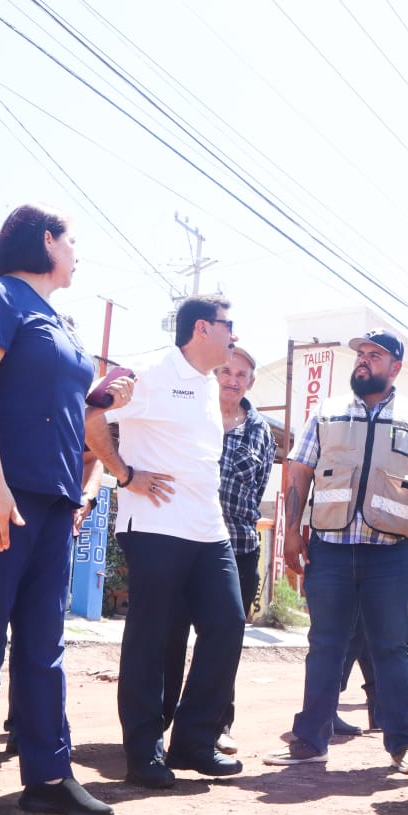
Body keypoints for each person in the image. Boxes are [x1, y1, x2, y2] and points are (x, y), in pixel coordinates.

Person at [0, 204, 131, 815]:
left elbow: (49, 394)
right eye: (72, 241)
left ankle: (48, 774)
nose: (77, 252)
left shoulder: (61, 321)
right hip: (2, 490)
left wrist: (101, 396)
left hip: (55, 495)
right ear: (45, 242)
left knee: (45, 641)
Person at [88, 294, 246, 789]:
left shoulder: (205, 383)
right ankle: (143, 751)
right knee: (153, 641)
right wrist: (123, 473)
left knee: (227, 623)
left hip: (207, 527)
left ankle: (194, 742)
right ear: (202, 328)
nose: (233, 335)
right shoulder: (148, 371)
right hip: (156, 525)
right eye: (228, 325)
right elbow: (90, 411)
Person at [262, 329, 408, 774]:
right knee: (325, 645)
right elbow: (299, 469)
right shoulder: (328, 410)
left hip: (390, 552)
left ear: (395, 367)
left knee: (392, 648)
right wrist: (292, 533)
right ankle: (309, 741)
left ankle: (403, 743)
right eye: (360, 354)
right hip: (331, 548)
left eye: (375, 356)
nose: (363, 361)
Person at [161, 345, 275, 755]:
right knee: (168, 638)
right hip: (182, 541)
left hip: (238, 549)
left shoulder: (261, 430)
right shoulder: (193, 410)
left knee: (224, 642)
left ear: (251, 382)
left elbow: (258, 488)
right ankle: (158, 722)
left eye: (241, 374)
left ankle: (215, 724)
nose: (232, 379)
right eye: (226, 370)